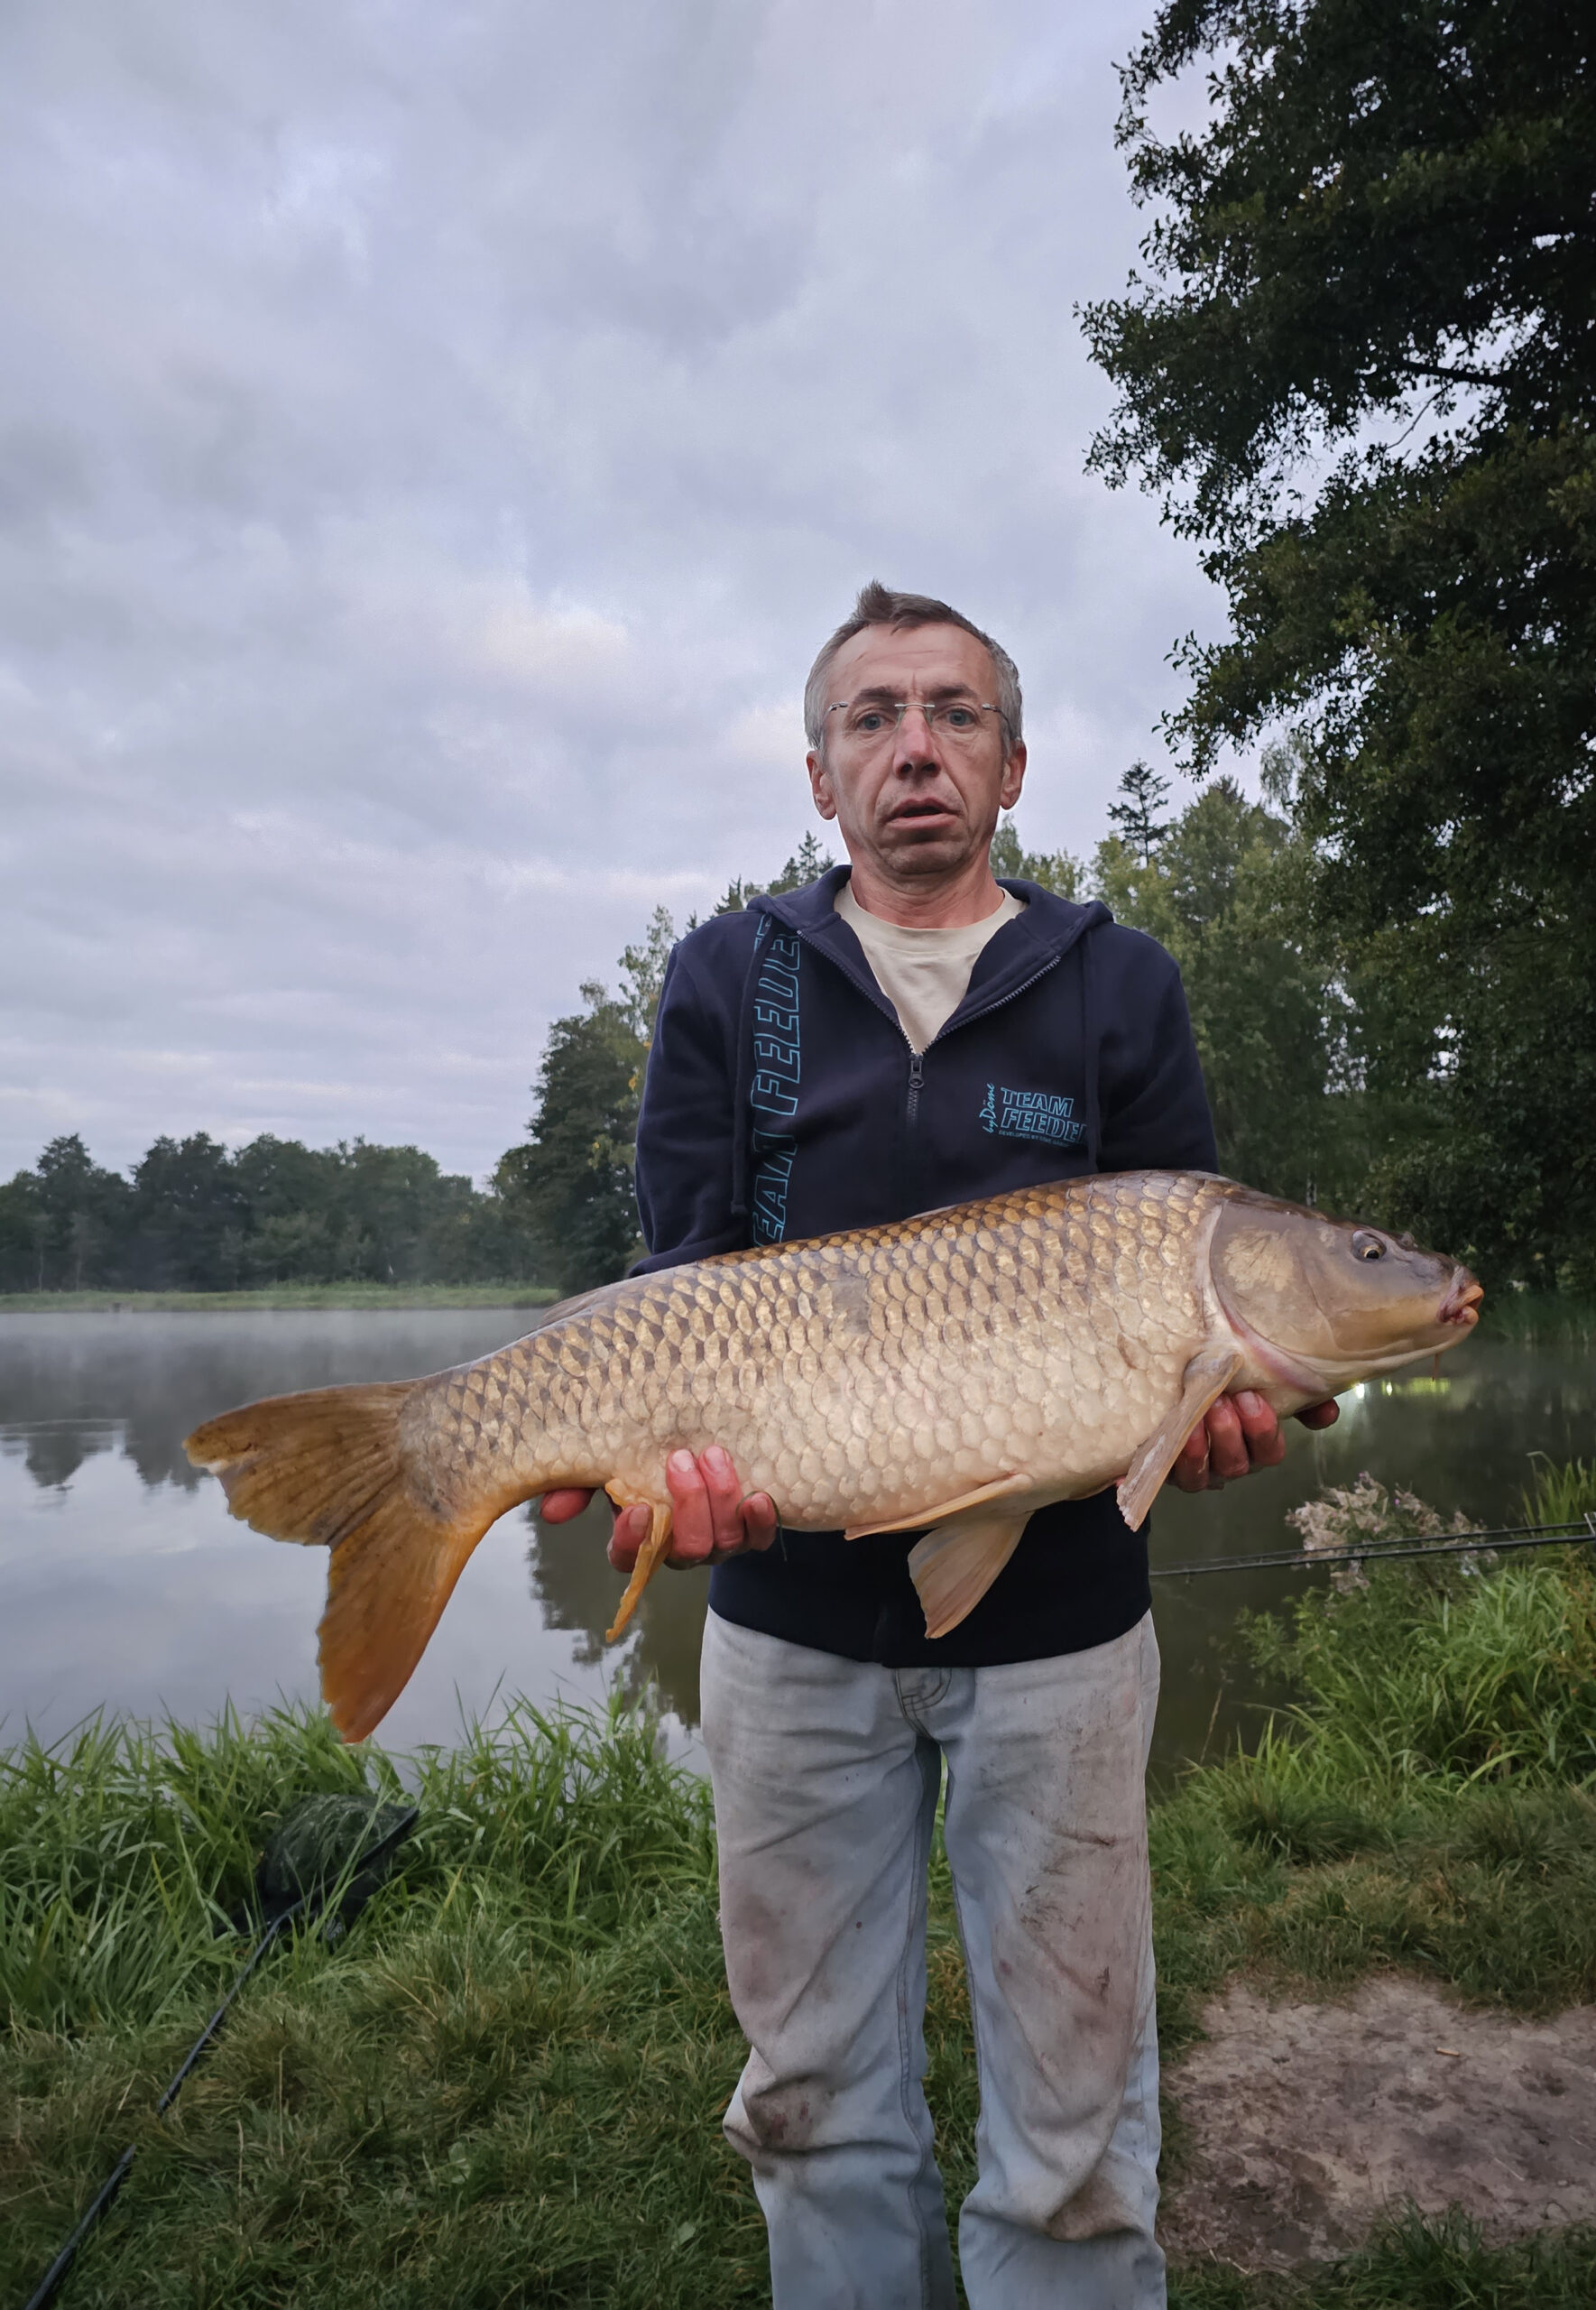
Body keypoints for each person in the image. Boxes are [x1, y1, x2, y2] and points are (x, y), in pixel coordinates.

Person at [542, 583, 1337, 2308]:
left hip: (1059, 1635)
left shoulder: (1117, 982)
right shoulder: (724, 977)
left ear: (1015, 763)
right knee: (815, 2098)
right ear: (820, 777)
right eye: (876, 719)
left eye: (957, 715)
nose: (918, 748)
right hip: (789, 1633)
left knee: (1072, 2128)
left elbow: (1185, 1243)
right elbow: (687, 1278)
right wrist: (673, 1477)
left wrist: (1199, 1423)